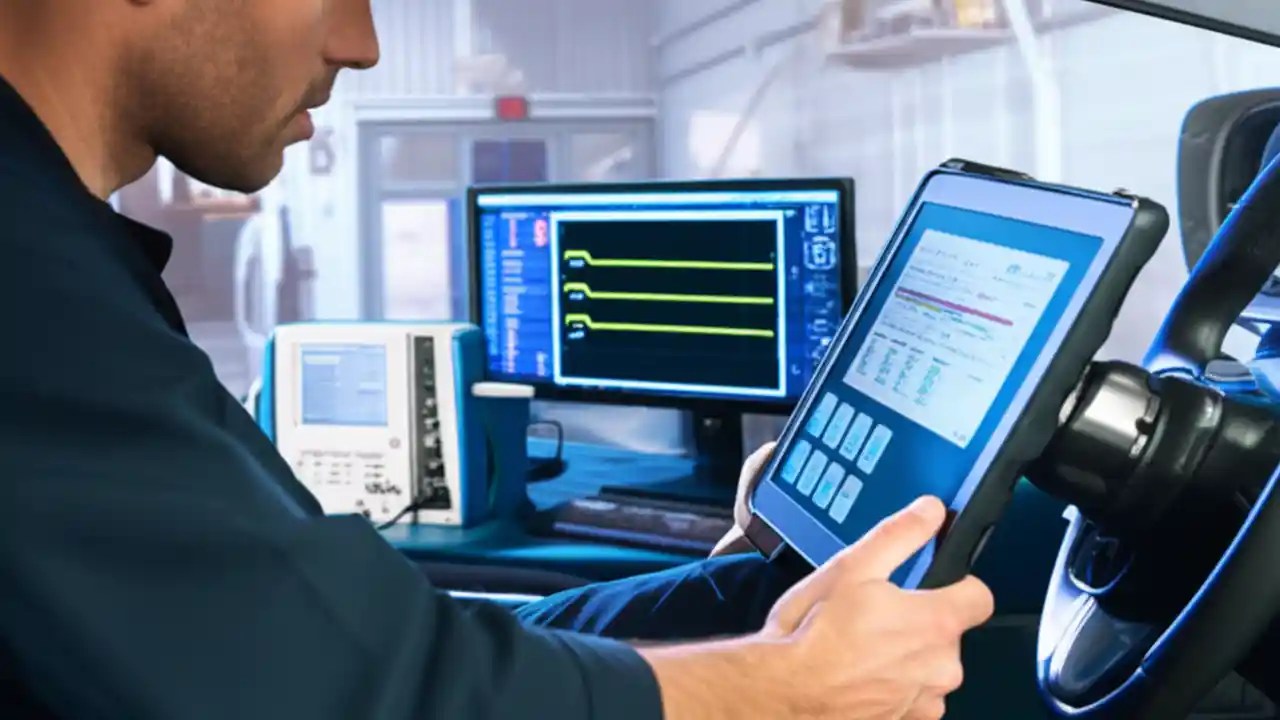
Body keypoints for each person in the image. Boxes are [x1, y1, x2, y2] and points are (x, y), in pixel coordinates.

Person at [0, 1, 995, 718]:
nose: (362, 42)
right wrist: (785, 693)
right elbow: (360, 696)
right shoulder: (31, 288)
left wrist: (734, 595)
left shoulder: (67, 262)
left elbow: (380, 649)